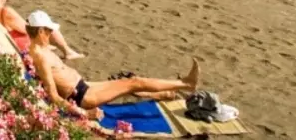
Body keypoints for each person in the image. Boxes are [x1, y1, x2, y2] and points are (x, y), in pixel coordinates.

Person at [28, 11, 201, 121]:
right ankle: (186, 84)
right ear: (41, 31)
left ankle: (167, 93)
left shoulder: (39, 49)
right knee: (135, 82)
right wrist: (83, 114)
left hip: (83, 86)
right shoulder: (41, 57)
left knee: (131, 82)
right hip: (84, 96)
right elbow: (53, 96)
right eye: (49, 31)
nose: (51, 34)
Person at [0, 0, 84, 58]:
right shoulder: (5, 11)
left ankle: (49, 46)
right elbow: (27, 29)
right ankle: (68, 52)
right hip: (19, 46)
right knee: (45, 26)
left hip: (0, 41)